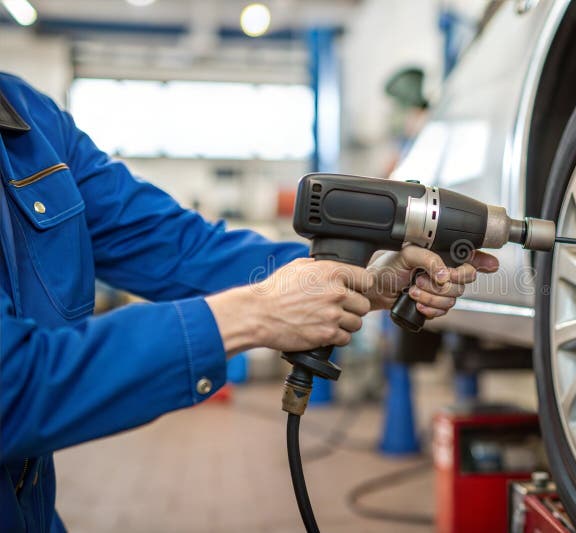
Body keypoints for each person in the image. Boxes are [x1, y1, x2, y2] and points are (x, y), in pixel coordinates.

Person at [0, 73, 498, 532]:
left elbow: (177, 248)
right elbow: (11, 385)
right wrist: (255, 314)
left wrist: (364, 281)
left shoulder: (30, 120)